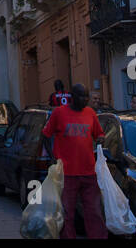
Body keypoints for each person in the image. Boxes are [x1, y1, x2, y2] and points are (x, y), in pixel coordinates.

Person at [40, 83, 107, 239]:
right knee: (66, 213)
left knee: (94, 211)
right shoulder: (59, 113)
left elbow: (100, 134)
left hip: (89, 172)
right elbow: (45, 135)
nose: (84, 99)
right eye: (81, 96)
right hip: (67, 173)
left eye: (86, 96)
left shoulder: (90, 113)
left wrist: (101, 139)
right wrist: (52, 158)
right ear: (72, 96)